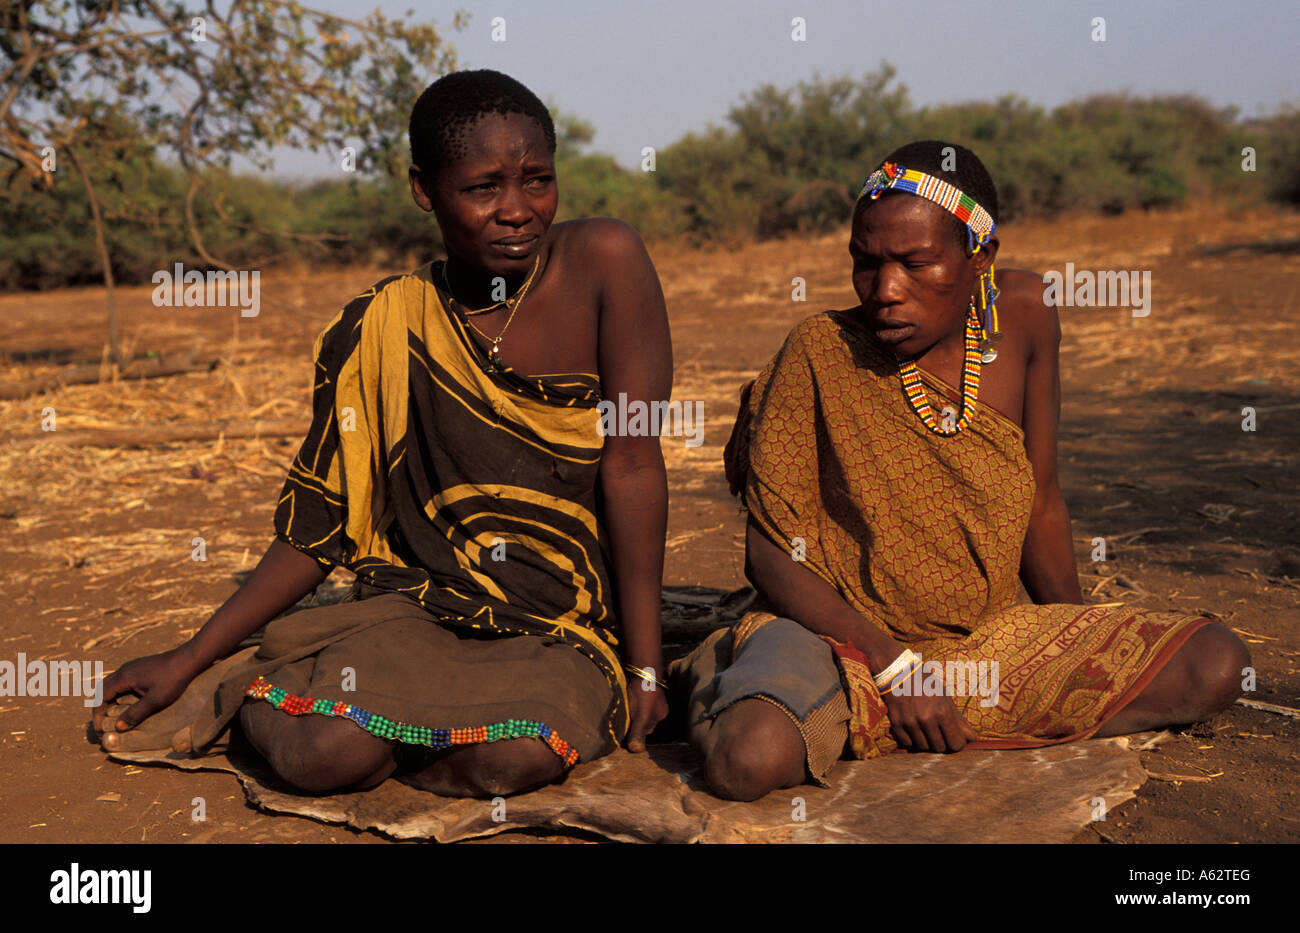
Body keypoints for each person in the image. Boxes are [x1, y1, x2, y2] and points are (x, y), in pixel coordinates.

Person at [91, 69, 672, 797]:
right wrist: (188, 654)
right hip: (418, 606)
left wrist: (645, 668)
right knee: (321, 754)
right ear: (424, 189)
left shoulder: (605, 264)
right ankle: (315, 704)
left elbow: (634, 466)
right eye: (483, 187)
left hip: (556, 622)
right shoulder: (383, 326)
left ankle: (405, 735)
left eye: (537, 180)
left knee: (515, 755)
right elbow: (321, 525)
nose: (518, 210)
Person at [674, 140, 1250, 802]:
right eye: (867, 263)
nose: (885, 291)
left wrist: (1079, 645)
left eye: (916, 263)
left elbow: (1041, 500)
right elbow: (771, 557)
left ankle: (891, 724)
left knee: (1216, 663)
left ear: (980, 257)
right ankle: (721, 674)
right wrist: (892, 669)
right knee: (747, 757)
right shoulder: (819, 353)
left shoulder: (1025, 313)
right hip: (838, 642)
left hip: (979, 647)